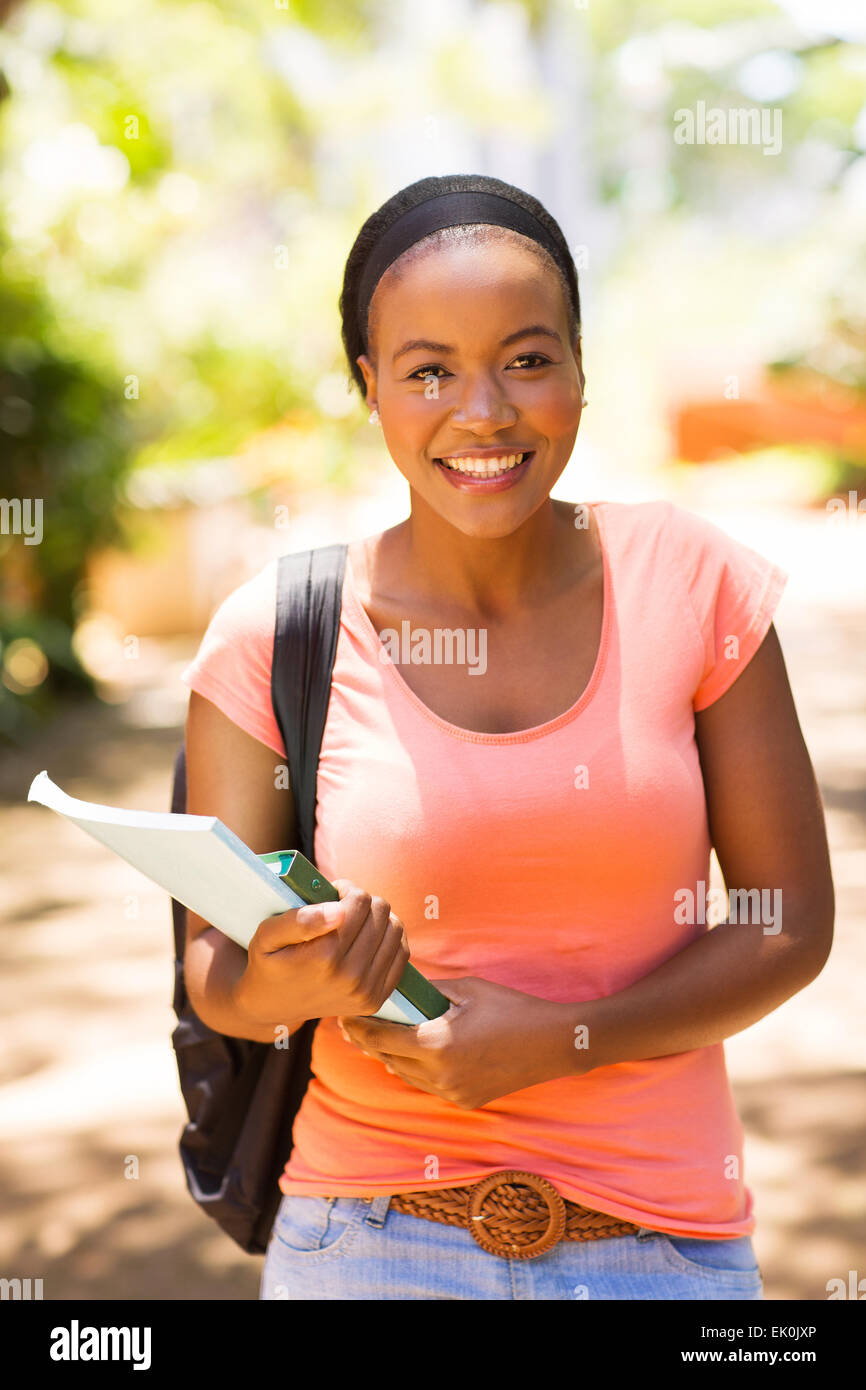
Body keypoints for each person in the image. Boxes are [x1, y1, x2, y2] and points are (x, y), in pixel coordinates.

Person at [179, 173, 834, 1300]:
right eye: (428, 370)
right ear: (367, 387)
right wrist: (302, 977)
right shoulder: (273, 634)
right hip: (367, 1238)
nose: (481, 411)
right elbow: (217, 978)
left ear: (580, 368)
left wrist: (562, 1037)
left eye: (526, 360)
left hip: (661, 1248)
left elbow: (788, 923)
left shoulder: (692, 580)